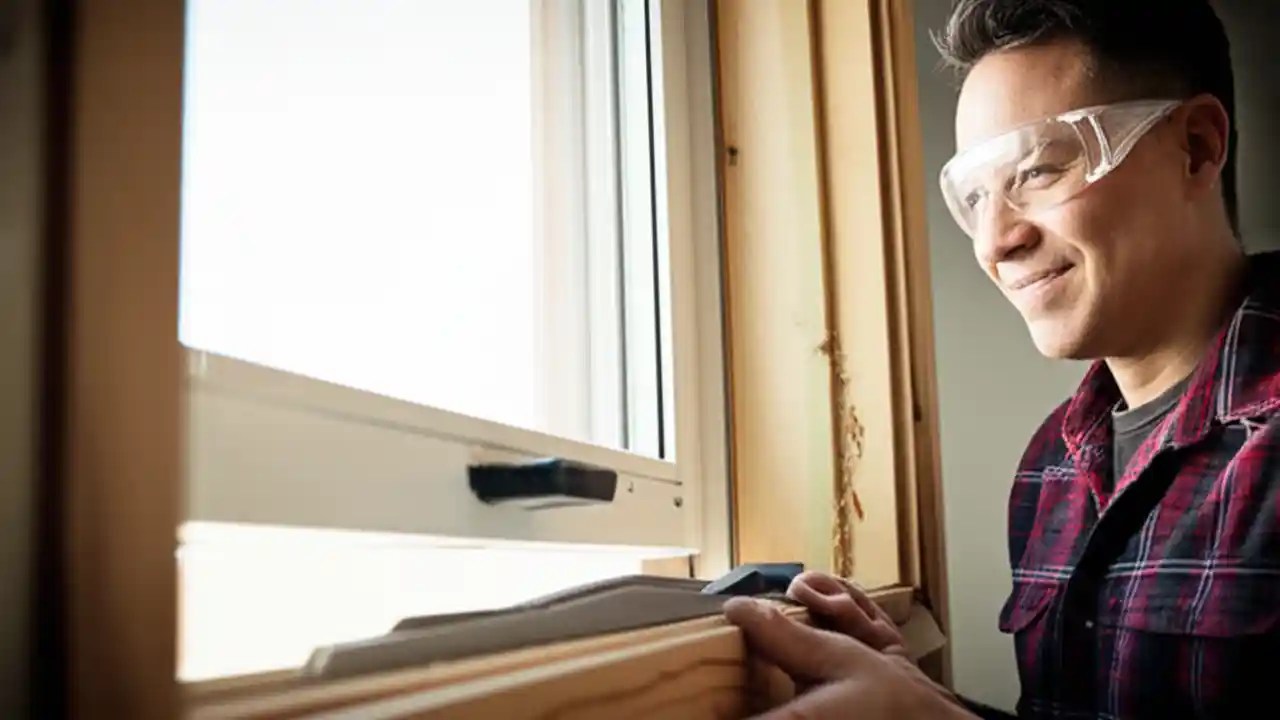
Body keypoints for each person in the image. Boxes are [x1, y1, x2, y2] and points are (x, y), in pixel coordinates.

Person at [725, 0, 1280, 718]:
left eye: (1040, 170)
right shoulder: (1051, 465)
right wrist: (917, 694)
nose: (994, 242)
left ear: (1197, 148)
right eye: (975, 196)